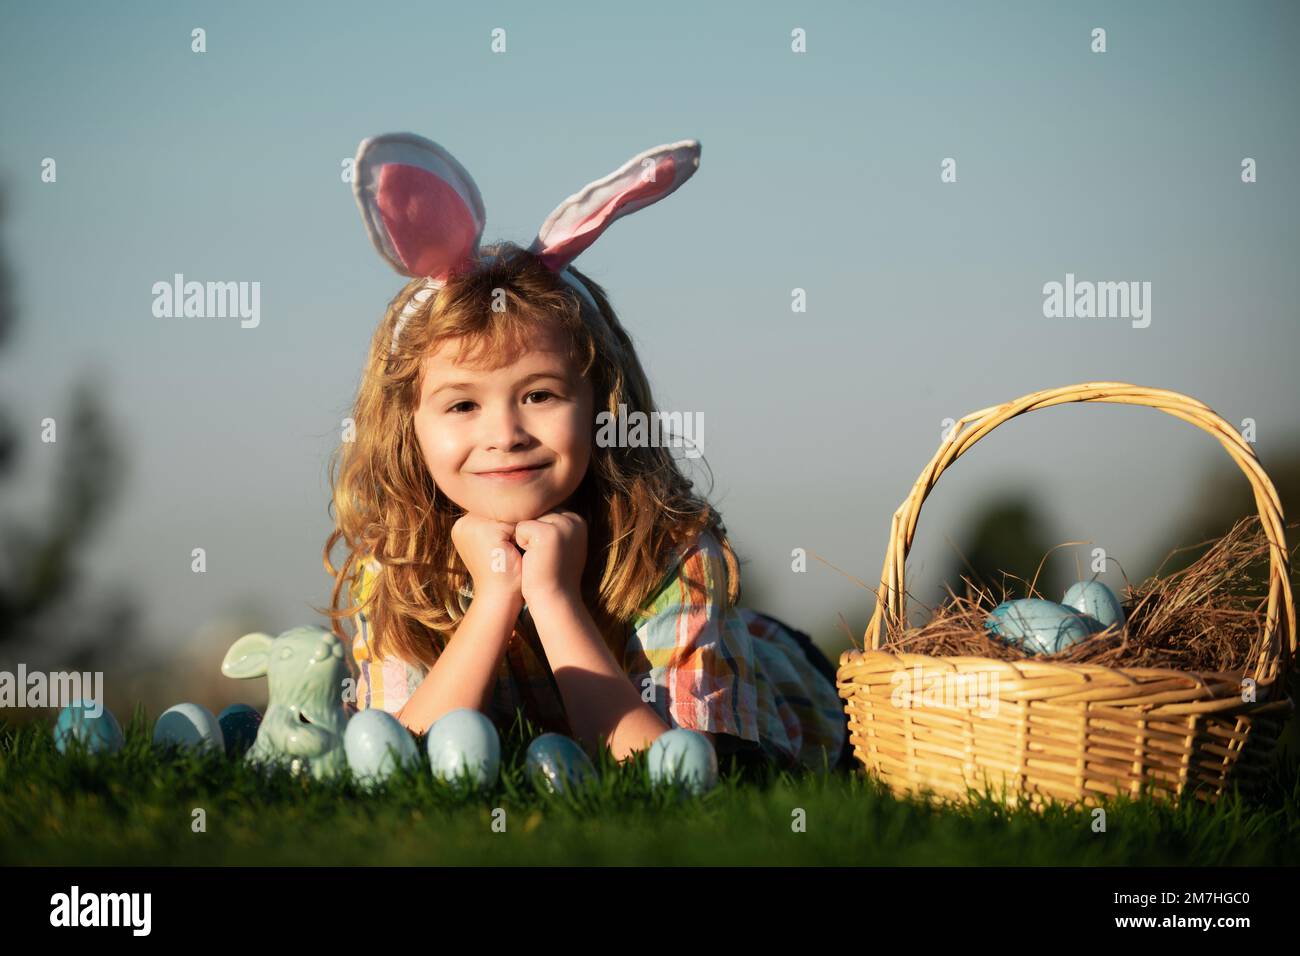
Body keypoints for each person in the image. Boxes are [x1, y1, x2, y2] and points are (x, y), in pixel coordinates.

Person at [320, 133, 851, 775]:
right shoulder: (397, 562)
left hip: (789, 696)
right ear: (408, 428)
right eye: (462, 405)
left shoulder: (671, 552)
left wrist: (553, 597)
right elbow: (396, 764)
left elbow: (673, 771)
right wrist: (495, 598)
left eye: (539, 395)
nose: (505, 434)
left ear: (602, 407)